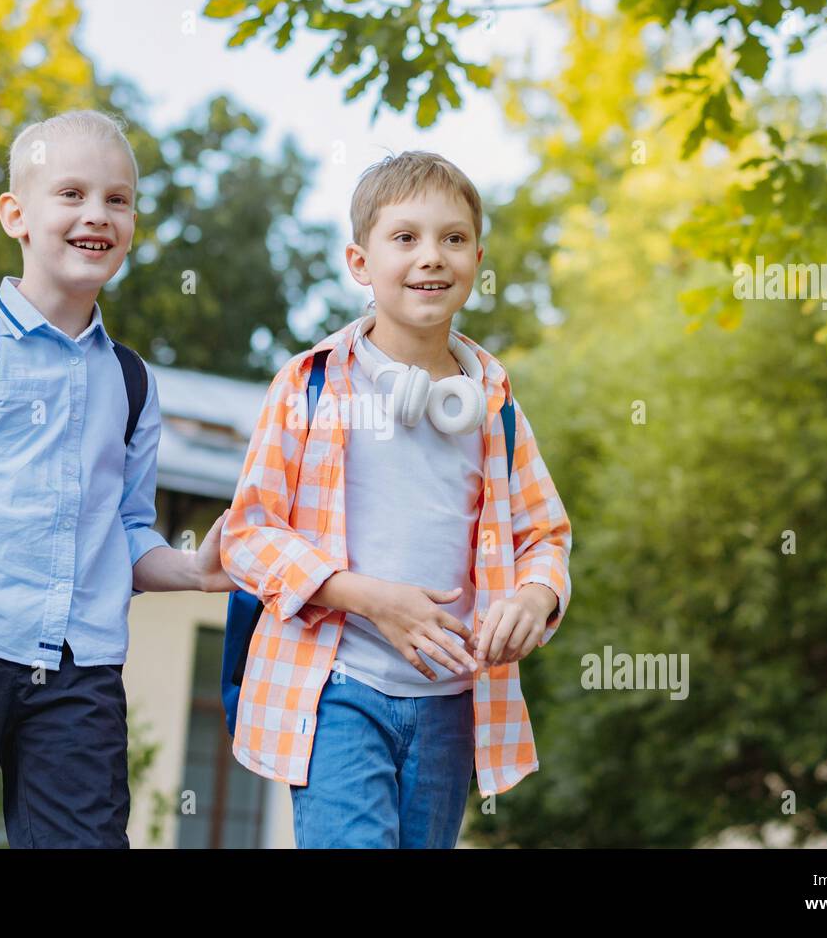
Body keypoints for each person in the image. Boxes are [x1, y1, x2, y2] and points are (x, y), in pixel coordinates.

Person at [0, 110, 235, 848]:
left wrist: (194, 569)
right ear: (17, 215)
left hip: (77, 677)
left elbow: (122, 535)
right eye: (71, 194)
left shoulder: (132, 383)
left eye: (117, 200)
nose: (97, 214)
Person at [220, 150, 573, 848]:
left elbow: (547, 538)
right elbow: (248, 534)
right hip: (337, 692)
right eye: (405, 238)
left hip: (450, 705)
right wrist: (368, 597)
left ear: (477, 257)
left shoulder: (495, 408)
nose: (431, 257)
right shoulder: (310, 386)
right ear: (360, 262)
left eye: (453, 238)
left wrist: (535, 600)